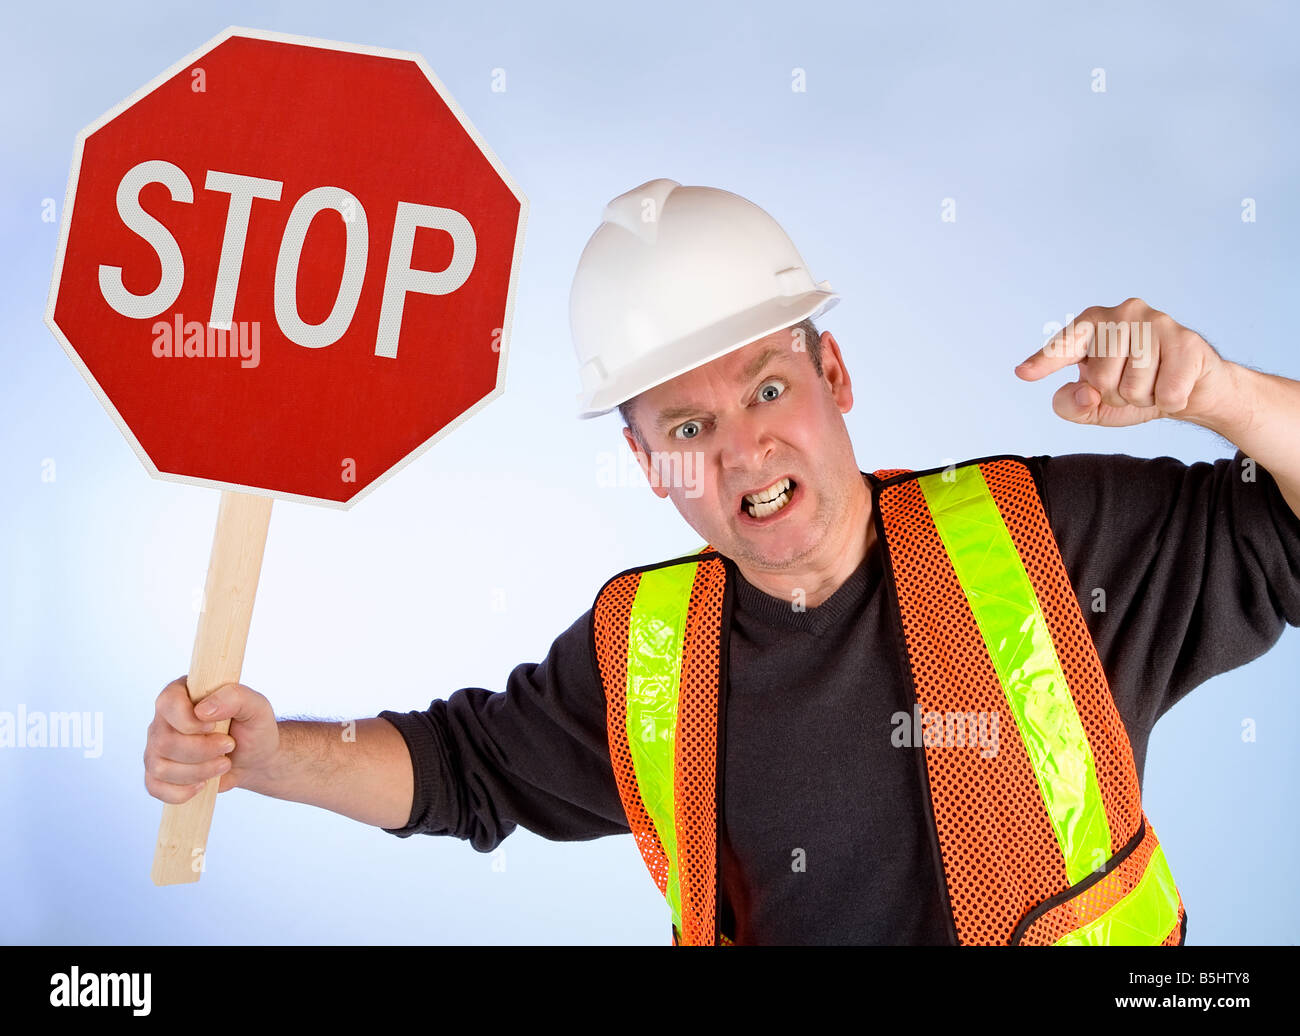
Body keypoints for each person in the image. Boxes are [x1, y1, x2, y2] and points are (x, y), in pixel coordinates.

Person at [143, 181, 1300, 945]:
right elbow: (463, 769)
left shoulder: (1053, 536)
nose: (744, 447)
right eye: (686, 428)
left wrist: (1224, 395)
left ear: (832, 372)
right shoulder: (646, 657)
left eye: (767, 387)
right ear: (646, 462)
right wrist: (263, 754)